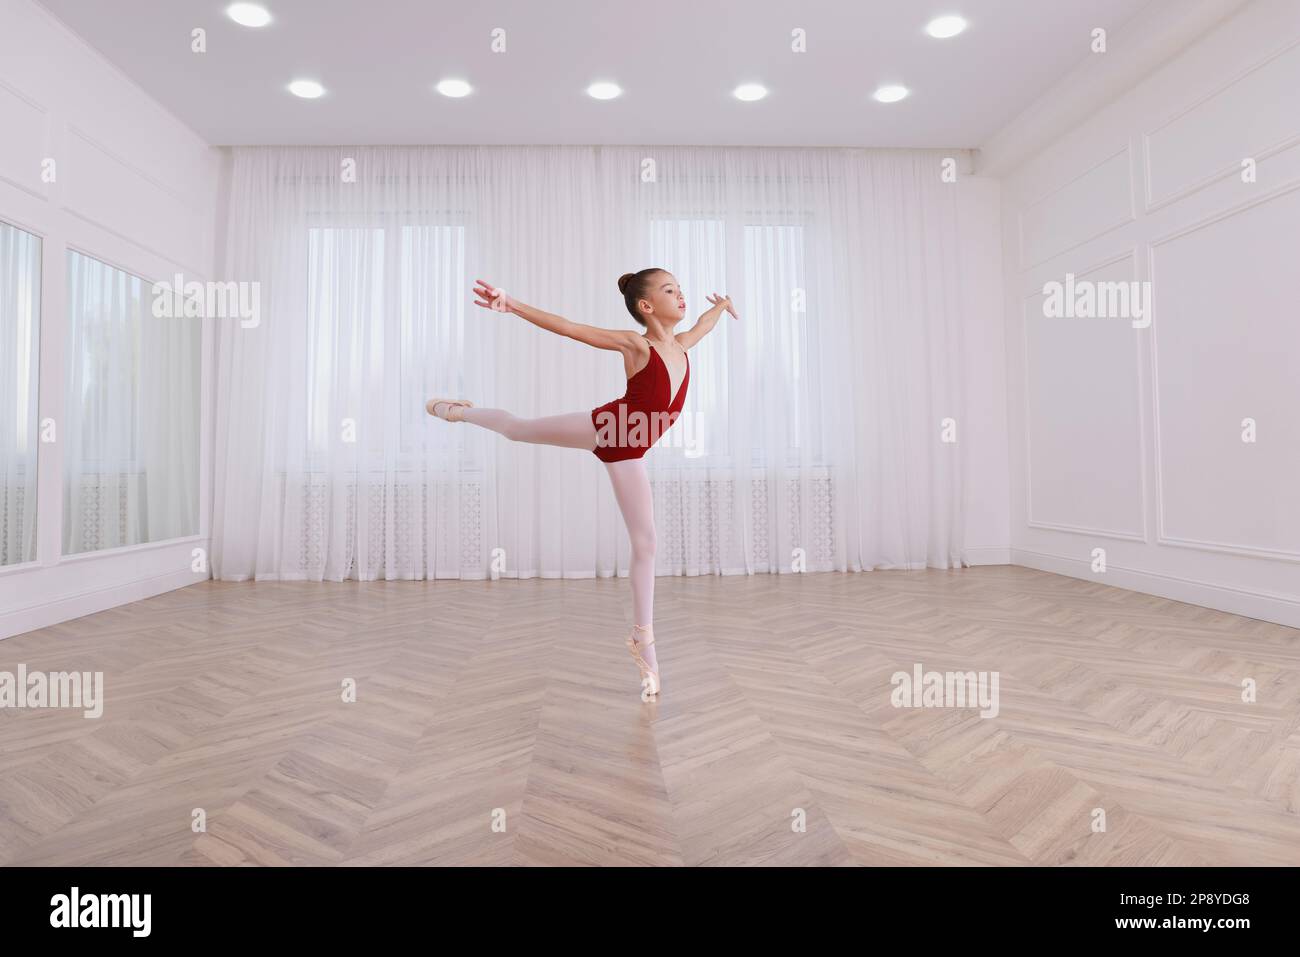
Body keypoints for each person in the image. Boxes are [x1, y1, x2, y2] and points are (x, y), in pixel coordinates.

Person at [427, 269, 738, 699]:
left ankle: (643, 642)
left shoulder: (682, 346)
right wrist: (511, 303)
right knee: (518, 429)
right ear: (646, 307)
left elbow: (702, 324)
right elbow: (572, 329)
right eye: (670, 291)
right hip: (608, 428)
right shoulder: (636, 345)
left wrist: (719, 307)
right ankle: (456, 411)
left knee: (646, 544)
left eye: (681, 289)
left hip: (630, 452)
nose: (681, 295)